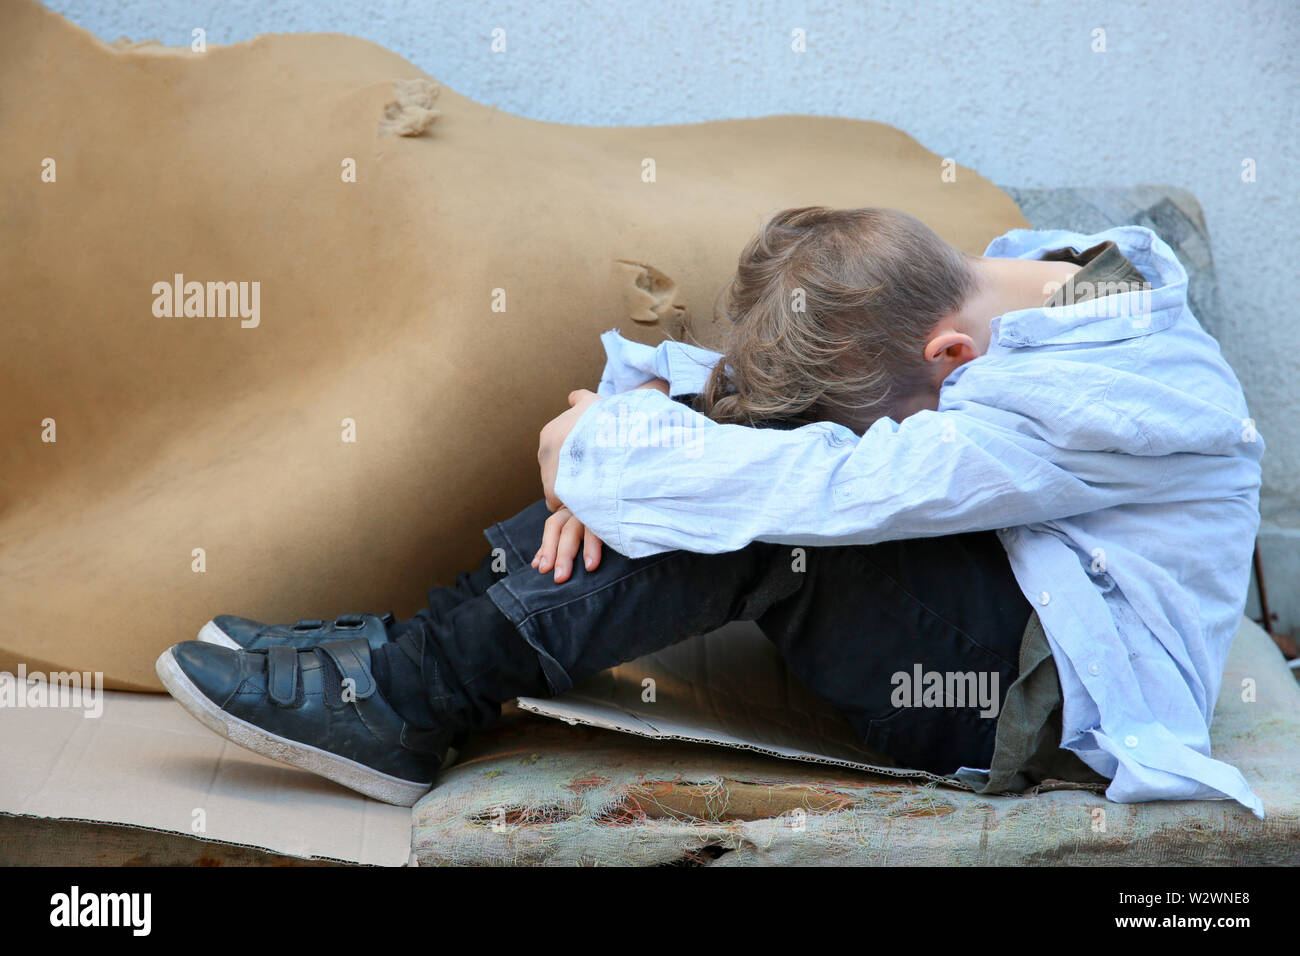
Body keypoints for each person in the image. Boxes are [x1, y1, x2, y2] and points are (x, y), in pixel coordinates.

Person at [156, 207, 1265, 816]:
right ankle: (416, 658)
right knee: (721, 457)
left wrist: (597, 446)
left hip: (1033, 694)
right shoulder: (1059, 271)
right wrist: (630, 409)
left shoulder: (1081, 408)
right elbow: (773, 387)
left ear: (949, 355)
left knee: (766, 518)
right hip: (1021, 582)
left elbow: (821, 482)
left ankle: (405, 690)